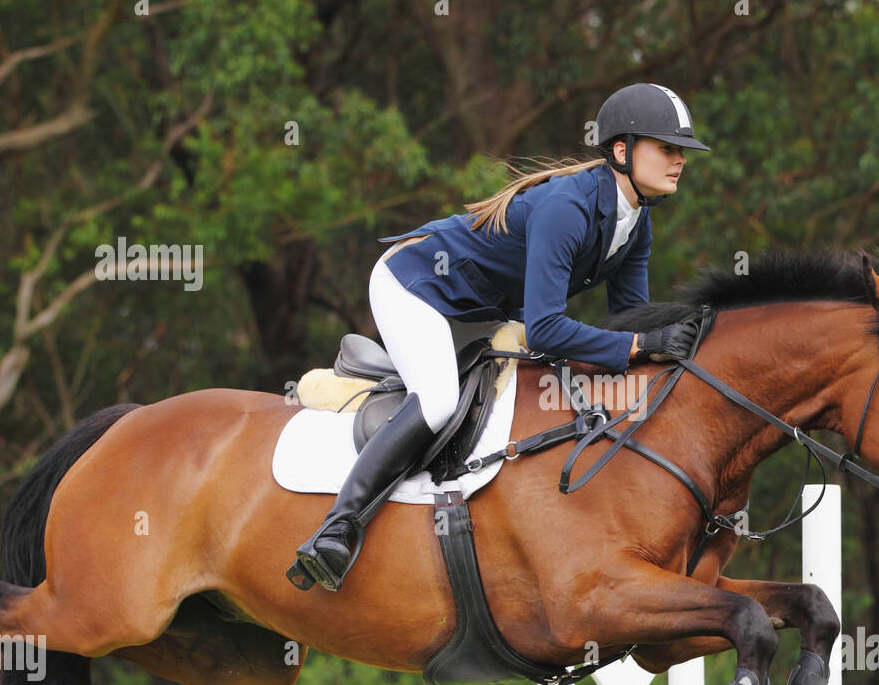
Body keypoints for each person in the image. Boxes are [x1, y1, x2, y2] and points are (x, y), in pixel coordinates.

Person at [291, 83, 709, 592]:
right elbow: (549, 329)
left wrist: (682, 341)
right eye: (667, 147)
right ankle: (337, 528)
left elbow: (630, 321)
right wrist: (640, 346)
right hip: (418, 287)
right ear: (622, 151)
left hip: (485, 311)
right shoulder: (567, 208)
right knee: (439, 402)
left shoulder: (636, 223)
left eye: (681, 151)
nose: (679, 160)